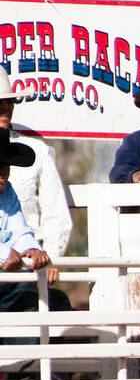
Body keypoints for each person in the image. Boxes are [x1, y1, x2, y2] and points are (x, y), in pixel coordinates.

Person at [0, 68, 71, 298]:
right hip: (10, 260)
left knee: (55, 303)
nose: (6, 108)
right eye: (0, 102)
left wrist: (48, 257)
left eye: (9, 102)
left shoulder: (36, 152)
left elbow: (55, 211)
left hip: (28, 266)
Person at [0, 126, 51, 341]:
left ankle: (30, 370)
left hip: (5, 279)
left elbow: (19, 228)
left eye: (5, 167)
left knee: (51, 302)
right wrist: (4, 253)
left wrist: (31, 249)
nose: (3, 174)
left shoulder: (8, 191)